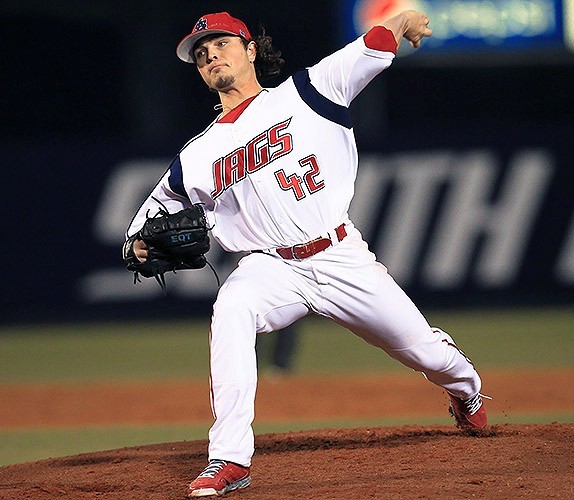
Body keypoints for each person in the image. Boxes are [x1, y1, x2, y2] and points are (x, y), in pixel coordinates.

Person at [125, 9, 487, 498]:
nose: (211, 56)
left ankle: (466, 391)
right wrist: (138, 242)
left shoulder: (310, 92)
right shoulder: (197, 155)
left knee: (425, 351)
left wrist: (401, 21)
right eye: (201, 55)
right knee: (231, 308)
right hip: (270, 267)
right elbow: (146, 218)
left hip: (340, 257)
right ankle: (229, 458)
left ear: (251, 50)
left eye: (222, 45)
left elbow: (372, 45)